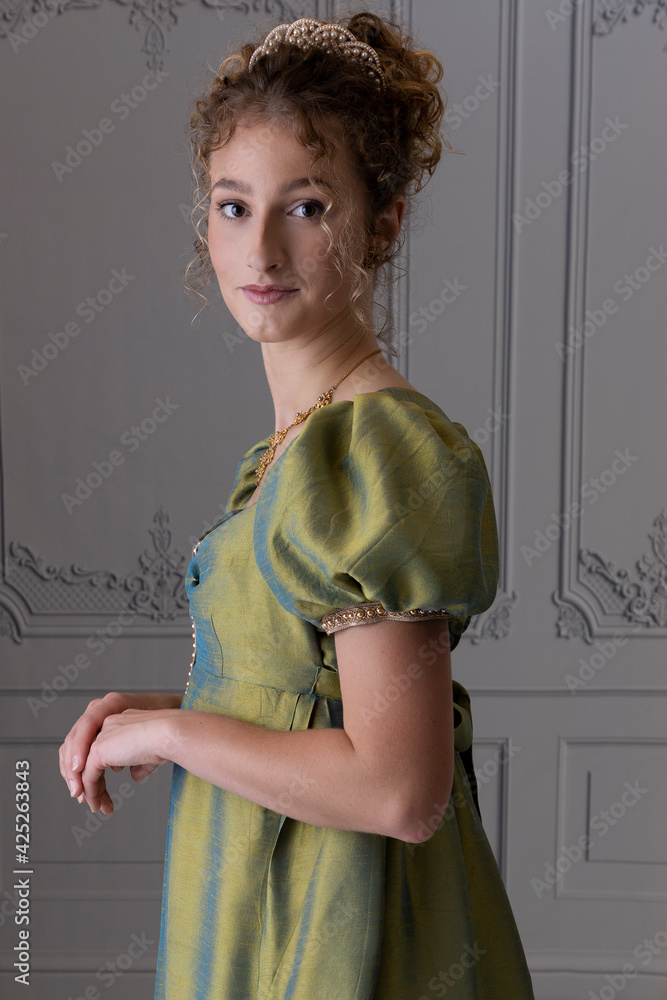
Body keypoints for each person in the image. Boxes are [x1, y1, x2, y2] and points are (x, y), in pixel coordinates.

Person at [59, 12, 535, 999]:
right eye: (234, 206)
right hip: (257, 908)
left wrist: (172, 737)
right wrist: (167, 707)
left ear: (385, 220)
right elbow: (308, 696)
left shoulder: (375, 450)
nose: (262, 245)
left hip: (332, 938)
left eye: (307, 206)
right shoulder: (288, 450)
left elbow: (399, 789)